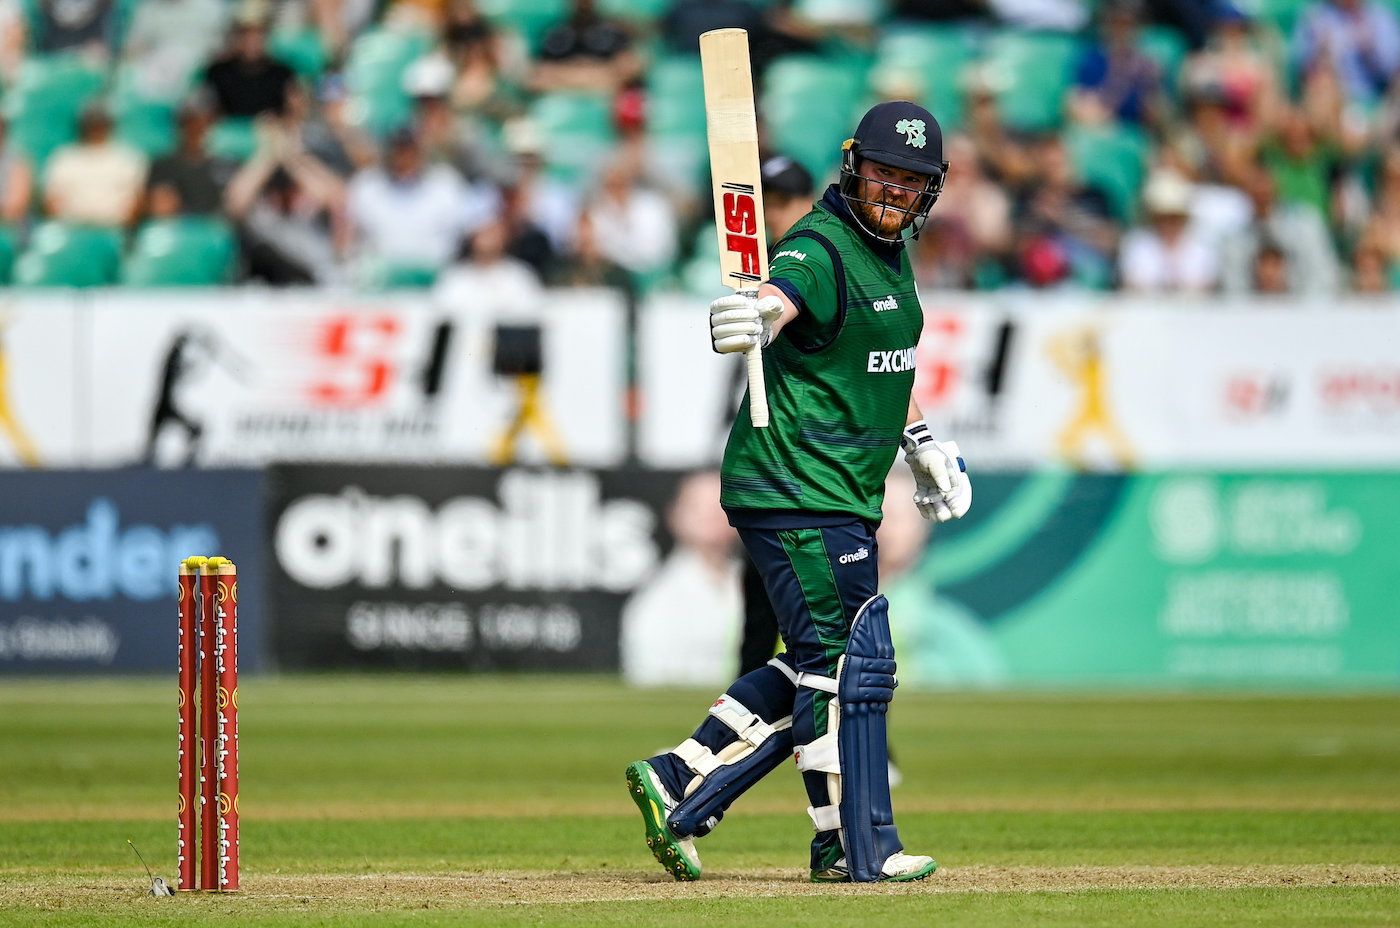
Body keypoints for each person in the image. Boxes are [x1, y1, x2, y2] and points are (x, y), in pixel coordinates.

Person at [624, 101, 972, 885]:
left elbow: (883, 367)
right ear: (853, 167)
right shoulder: (822, 244)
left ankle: (681, 778)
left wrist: (922, 446)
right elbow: (784, 294)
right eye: (884, 173)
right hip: (798, 484)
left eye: (912, 181)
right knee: (843, 667)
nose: (895, 191)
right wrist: (760, 316)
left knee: (822, 664)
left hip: (839, 489)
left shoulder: (889, 255)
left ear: (932, 190)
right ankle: (846, 843)